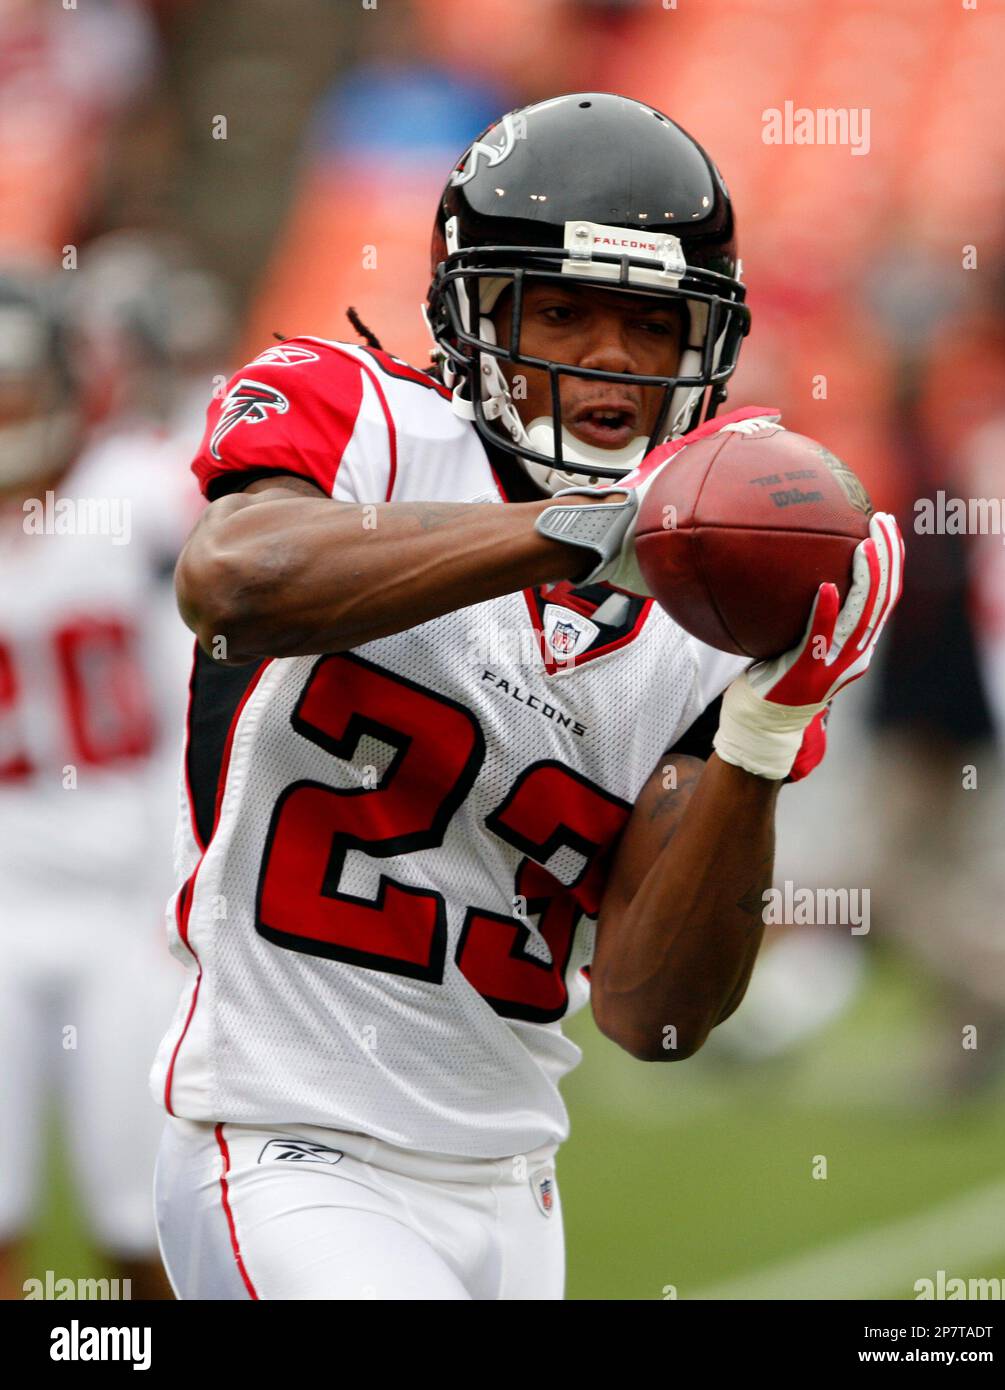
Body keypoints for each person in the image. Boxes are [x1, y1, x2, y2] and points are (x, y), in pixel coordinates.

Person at [151, 93, 902, 1301]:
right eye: (560, 310)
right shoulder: (368, 425)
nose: (607, 358)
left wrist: (768, 726)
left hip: (512, 1182)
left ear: (700, 346)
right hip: (286, 1138)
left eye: (651, 324)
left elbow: (655, 1015)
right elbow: (234, 582)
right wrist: (576, 532)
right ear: (470, 315)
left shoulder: (701, 617)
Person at [0, 271, 190, 1301]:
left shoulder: (141, 494)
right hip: (1, 905)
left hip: (128, 907)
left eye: (17, 385)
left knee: (145, 1220)